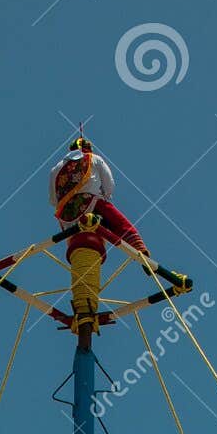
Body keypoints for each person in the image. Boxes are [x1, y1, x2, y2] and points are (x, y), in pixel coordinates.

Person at [49, 137, 148, 343]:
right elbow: (109, 185)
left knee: (78, 231)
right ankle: (137, 246)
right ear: (87, 148)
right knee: (117, 220)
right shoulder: (94, 158)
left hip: (68, 218)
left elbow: (53, 199)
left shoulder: (56, 169)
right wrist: (103, 195)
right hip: (91, 204)